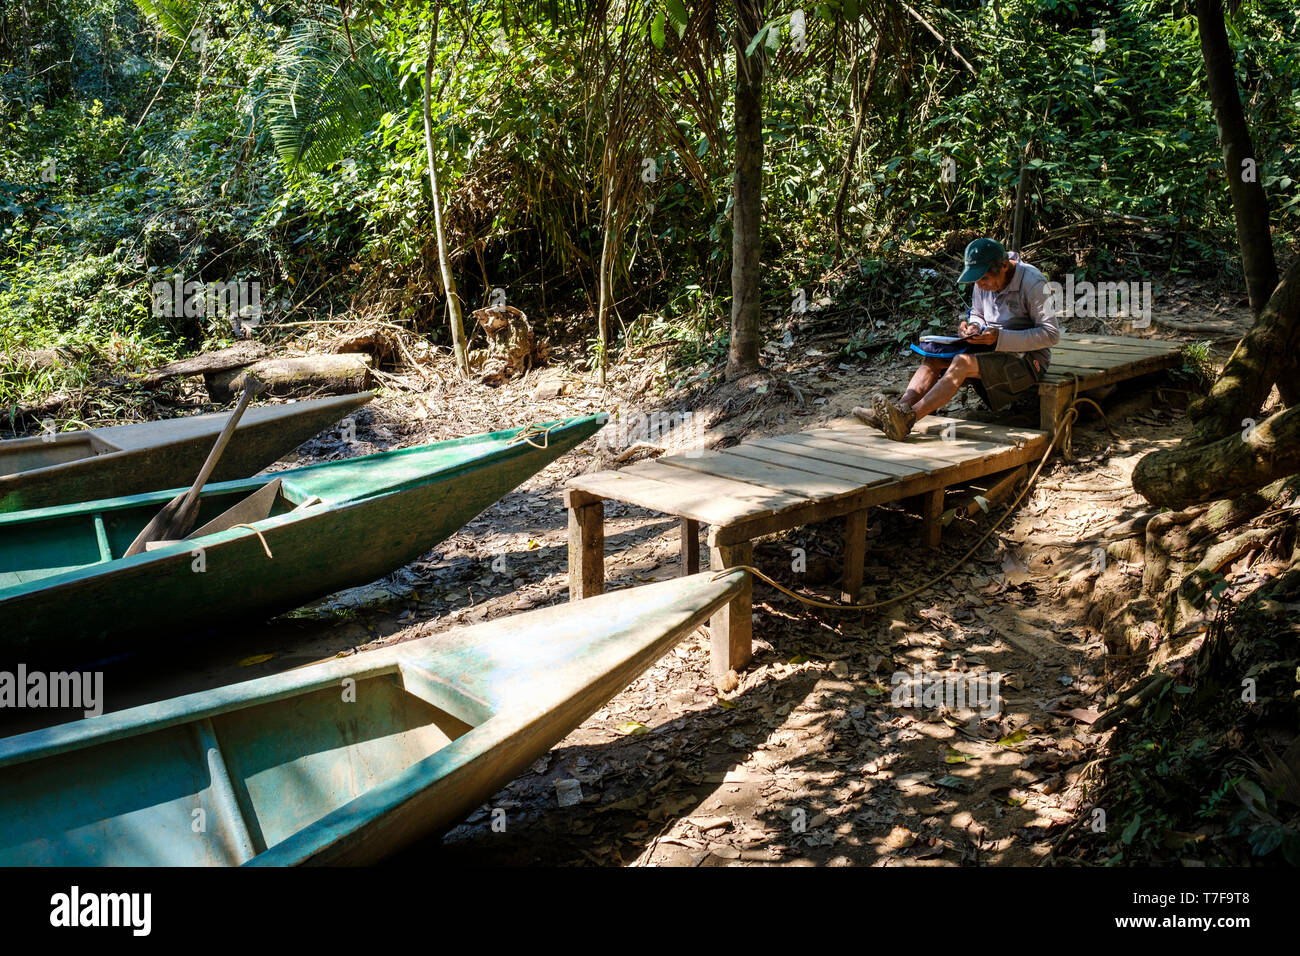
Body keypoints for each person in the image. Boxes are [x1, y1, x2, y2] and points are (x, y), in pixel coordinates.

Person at [854, 238, 1059, 441]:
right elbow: (978, 313)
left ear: (1004, 266)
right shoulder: (984, 276)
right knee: (933, 358)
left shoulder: (1033, 283)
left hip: (1028, 362)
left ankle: (908, 419)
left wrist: (999, 338)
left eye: (984, 279)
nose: (979, 285)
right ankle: (897, 410)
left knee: (961, 363)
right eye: (976, 280)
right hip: (992, 350)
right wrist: (973, 326)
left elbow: (1051, 334)